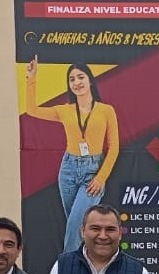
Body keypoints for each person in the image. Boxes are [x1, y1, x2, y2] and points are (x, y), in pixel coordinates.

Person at [25, 55, 120, 255]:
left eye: (80, 77)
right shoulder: (65, 110)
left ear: (90, 80)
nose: (76, 82)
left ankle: (66, 268)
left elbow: (114, 147)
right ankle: (85, 263)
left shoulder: (106, 110)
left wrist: (101, 178)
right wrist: (31, 78)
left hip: (92, 171)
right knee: (77, 227)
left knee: (77, 224)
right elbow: (31, 110)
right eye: (72, 79)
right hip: (68, 170)